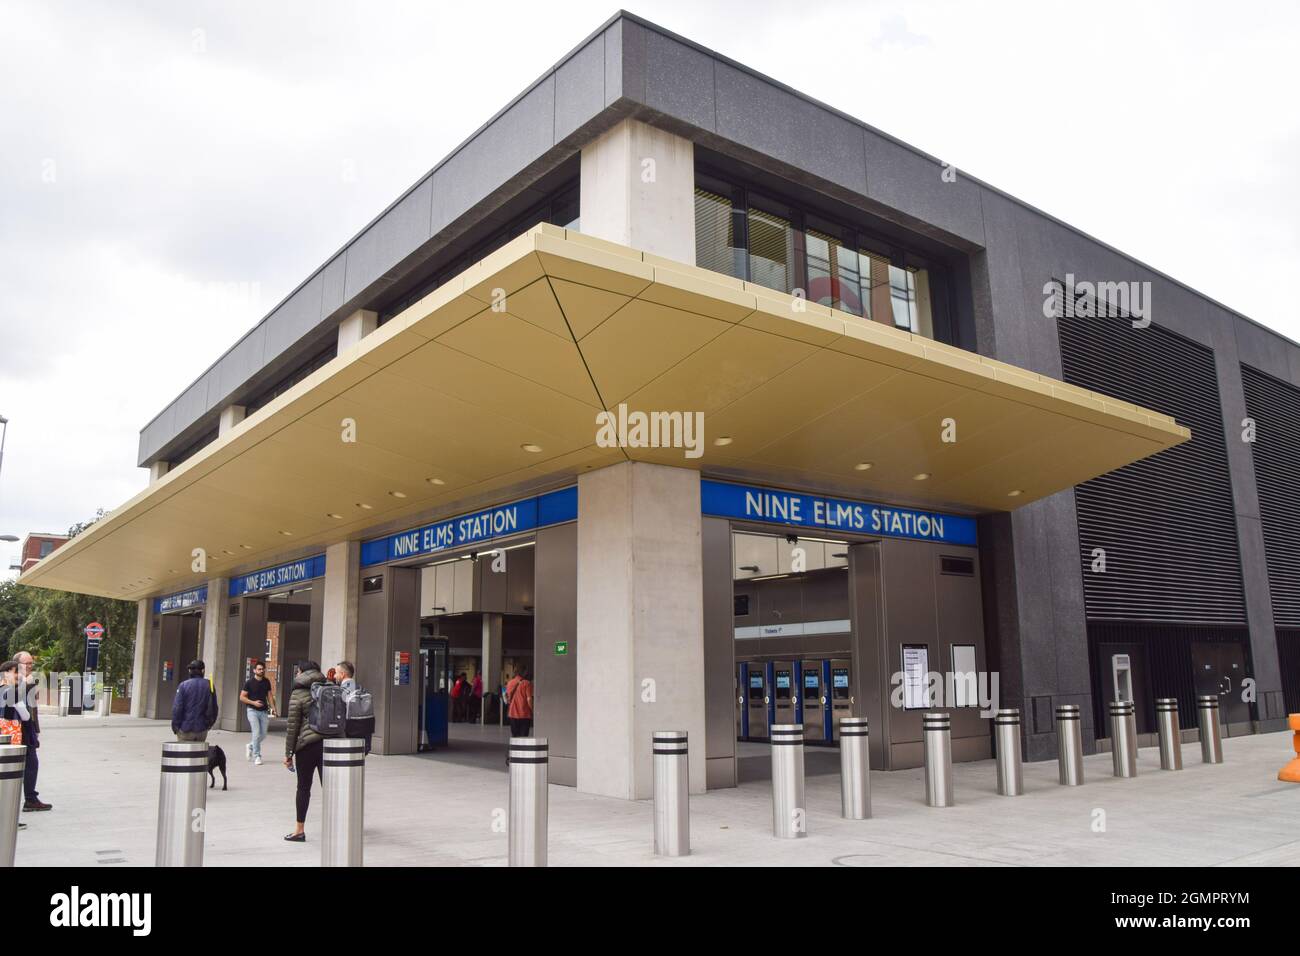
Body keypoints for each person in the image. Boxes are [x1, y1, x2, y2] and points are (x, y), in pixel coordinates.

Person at [283, 660, 326, 842]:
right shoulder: (329, 687)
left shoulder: (298, 693)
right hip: (329, 745)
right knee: (332, 788)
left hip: (306, 746)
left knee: (303, 788)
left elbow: (293, 726)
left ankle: (299, 830)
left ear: (301, 672)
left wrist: (288, 754)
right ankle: (341, 825)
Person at [13, 651, 50, 812]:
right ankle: (27, 799)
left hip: (28, 729)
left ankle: (30, 798)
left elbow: (32, 707)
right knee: (24, 765)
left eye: (30, 664)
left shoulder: (28, 681)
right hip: (16, 728)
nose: (29, 666)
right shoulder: (12, 680)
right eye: (26, 663)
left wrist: (36, 729)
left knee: (31, 763)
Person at [0, 662, 30, 829]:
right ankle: (9, 818)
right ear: (6, 673)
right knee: (11, 776)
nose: (17, 676)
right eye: (14, 672)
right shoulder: (12, 692)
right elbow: (25, 716)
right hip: (11, 734)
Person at [171, 659, 218, 742]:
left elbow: (177, 708)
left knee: (184, 753)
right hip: (202, 729)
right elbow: (213, 707)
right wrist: (209, 724)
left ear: (190, 671)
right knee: (199, 753)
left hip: (185, 729)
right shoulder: (209, 685)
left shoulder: (183, 685)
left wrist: (175, 726)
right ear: (202, 671)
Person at [239, 660, 275, 765]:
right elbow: (242, 697)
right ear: (254, 670)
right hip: (252, 710)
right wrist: (253, 703)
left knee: (263, 734)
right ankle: (257, 756)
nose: (261, 671)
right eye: (259, 669)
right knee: (256, 732)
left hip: (263, 711)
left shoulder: (266, 681)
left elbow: (269, 696)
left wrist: (274, 708)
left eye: (263, 669)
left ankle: (250, 745)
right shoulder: (249, 683)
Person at [506, 667, 533, 738]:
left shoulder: (509, 683)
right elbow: (529, 699)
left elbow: (507, 698)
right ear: (523, 672)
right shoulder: (527, 683)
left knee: (515, 736)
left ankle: (515, 749)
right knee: (523, 737)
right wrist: (531, 710)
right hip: (524, 713)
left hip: (512, 713)